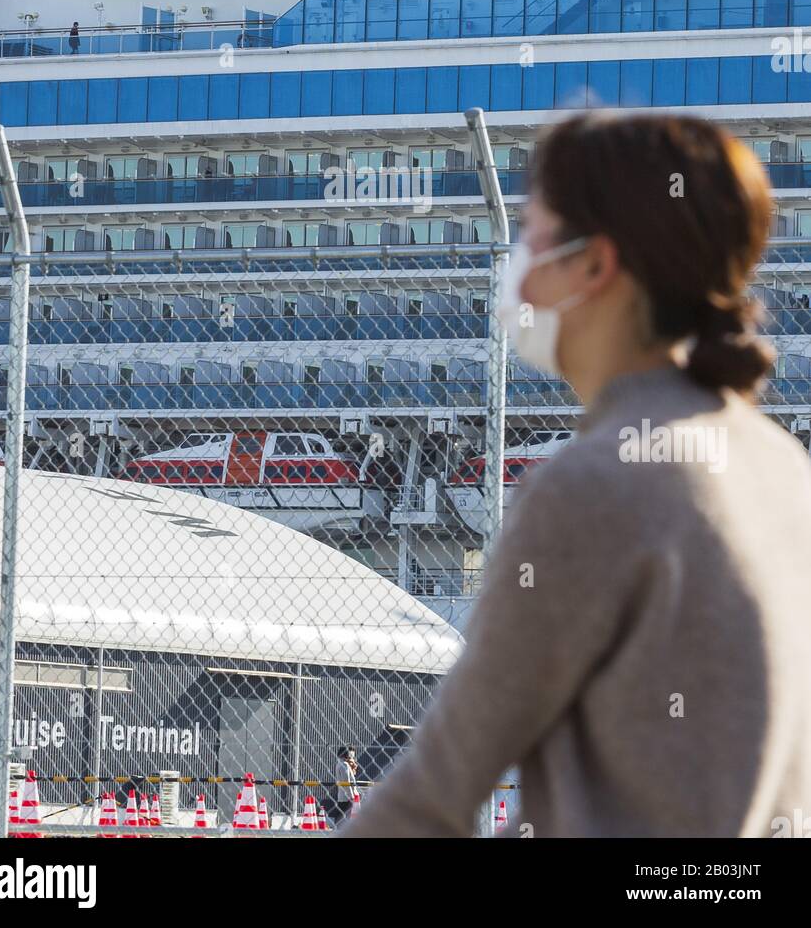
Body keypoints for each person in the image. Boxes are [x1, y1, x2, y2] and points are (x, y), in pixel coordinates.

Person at [342, 112, 811, 838]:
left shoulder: (600, 482)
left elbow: (432, 797)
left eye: (533, 231)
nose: (518, 262)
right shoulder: (785, 469)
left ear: (595, 265)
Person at [327, 745, 357, 825]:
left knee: (340, 816)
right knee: (345, 817)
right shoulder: (344, 765)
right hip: (347, 797)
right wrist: (351, 796)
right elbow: (346, 782)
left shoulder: (339, 764)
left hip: (342, 795)